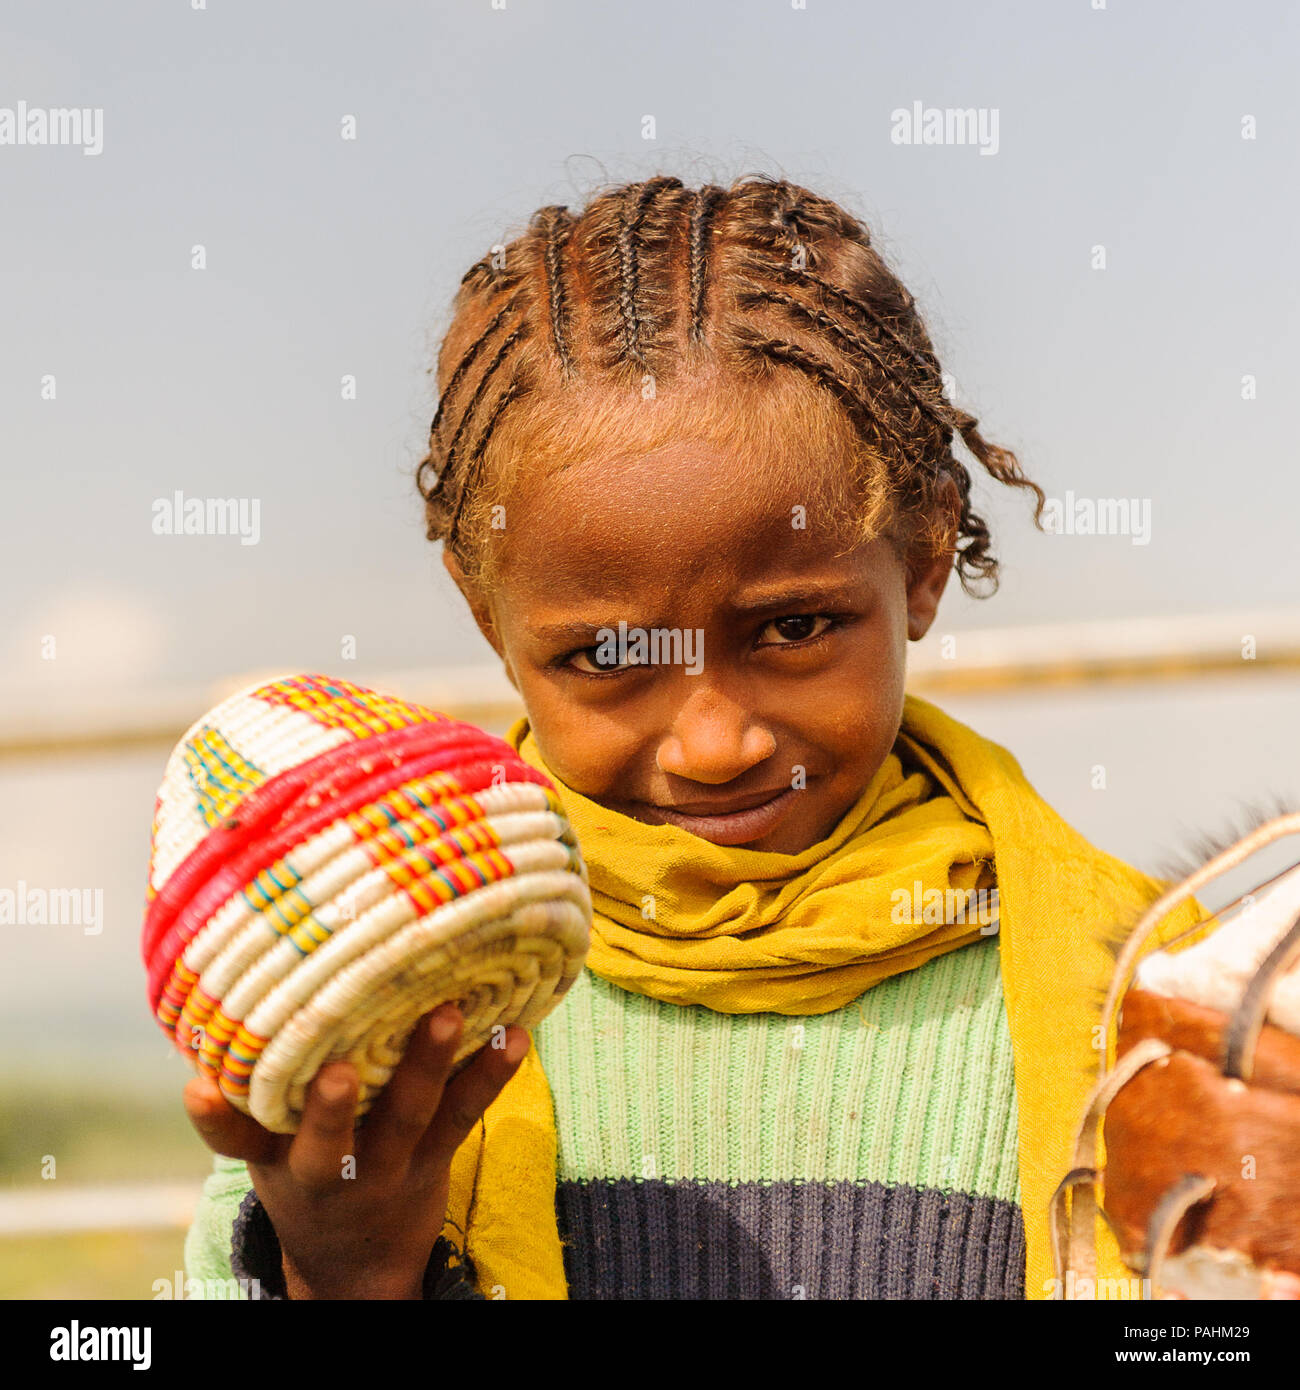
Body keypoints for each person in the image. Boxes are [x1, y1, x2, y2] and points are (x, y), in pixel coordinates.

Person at [180, 173, 1202, 1300]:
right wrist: (348, 1264)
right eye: (606, 658)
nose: (714, 744)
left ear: (919, 561)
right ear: (491, 621)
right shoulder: (391, 998)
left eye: (793, 627)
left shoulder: (1153, 1006)